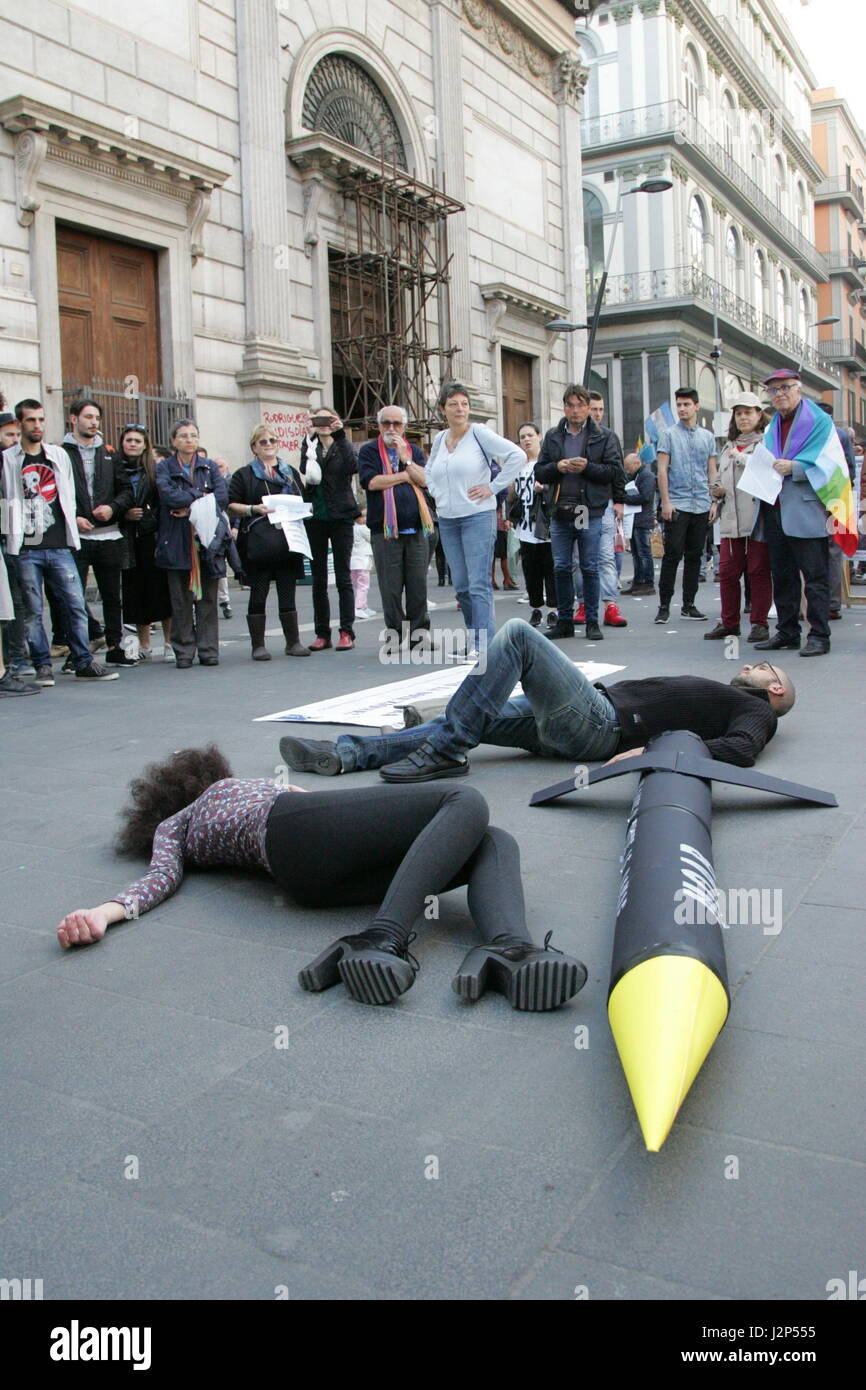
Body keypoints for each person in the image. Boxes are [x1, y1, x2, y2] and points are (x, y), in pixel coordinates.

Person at [54, 746, 586, 1013]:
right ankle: (382, 938)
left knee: (491, 839)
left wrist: (103, 914)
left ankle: (509, 953)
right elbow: (325, 808)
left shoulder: (174, 828)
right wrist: (101, 913)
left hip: (309, 879)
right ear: (202, 775)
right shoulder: (225, 791)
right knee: (464, 800)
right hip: (294, 825)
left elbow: (159, 880)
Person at [280, 618, 795, 786]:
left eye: (763, 669)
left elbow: (741, 750)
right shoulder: (731, 695)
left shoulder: (754, 711)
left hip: (596, 724)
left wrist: (650, 755)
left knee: (518, 636)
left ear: (775, 689)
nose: (752, 664)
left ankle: (447, 750)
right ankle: (348, 754)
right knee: (474, 715)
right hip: (579, 719)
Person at [2, 400, 119, 684]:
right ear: (20, 424)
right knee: (32, 610)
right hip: (26, 546)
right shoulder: (8, 460)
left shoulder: (56, 455)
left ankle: (83, 660)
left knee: (75, 603)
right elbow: (6, 500)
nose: (37, 426)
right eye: (31, 420)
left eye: (41, 420)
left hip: (59, 543)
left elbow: (68, 494)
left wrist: (74, 525)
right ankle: (42, 665)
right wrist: (10, 542)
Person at [424, 382, 526, 656]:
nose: (460, 408)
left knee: (479, 583)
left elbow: (516, 455)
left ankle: (485, 644)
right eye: (453, 403)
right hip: (448, 519)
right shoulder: (439, 439)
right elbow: (429, 471)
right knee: (462, 585)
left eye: (464, 403)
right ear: (443, 409)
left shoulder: (478, 433)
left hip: (477, 517)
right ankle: (474, 639)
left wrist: (492, 488)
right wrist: (437, 494)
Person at [751, 371, 842, 658]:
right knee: (783, 575)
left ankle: (819, 635)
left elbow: (833, 465)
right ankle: (788, 631)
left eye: (784, 388)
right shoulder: (773, 426)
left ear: (798, 389)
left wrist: (796, 468)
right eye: (773, 390)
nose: (779, 394)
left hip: (806, 509)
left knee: (815, 576)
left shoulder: (819, 422)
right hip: (775, 508)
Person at [535, 384, 625, 642]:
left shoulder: (604, 436)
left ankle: (592, 622)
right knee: (562, 566)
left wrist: (587, 468)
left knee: (588, 565)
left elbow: (614, 472)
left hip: (586, 508)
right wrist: (557, 467)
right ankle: (564, 621)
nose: (575, 410)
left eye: (580, 405)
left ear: (587, 407)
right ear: (564, 407)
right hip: (560, 507)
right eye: (570, 405)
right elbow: (540, 471)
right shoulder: (553, 436)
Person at [62, 398, 137, 668]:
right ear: (74, 419)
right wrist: (74, 518)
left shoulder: (109, 454)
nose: (93, 422)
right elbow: (56, 493)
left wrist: (113, 508)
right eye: (88, 417)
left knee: (112, 596)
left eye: (96, 418)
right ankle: (78, 651)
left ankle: (115, 646)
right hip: (77, 537)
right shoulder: (61, 452)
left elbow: (127, 491)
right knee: (74, 597)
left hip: (109, 536)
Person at [228, 425, 310, 660]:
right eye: (262, 441)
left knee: (287, 591)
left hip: (287, 540)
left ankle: (293, 642)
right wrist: (253, 509)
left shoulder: (290, 472)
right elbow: (231, 504)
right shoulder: (244, 474)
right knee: (259, 591)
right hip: (259, 542)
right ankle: (258, 645)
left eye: (272, 440)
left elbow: (302, 499)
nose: (269, 444)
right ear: (254, 447)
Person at [155, 418, 228, 668]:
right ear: (174, 440)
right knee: (181, 598)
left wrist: (190, 508)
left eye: (193, 435)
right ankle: (184, 650)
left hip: (207, 539)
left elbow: (221, 496)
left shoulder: (208, 467)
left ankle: (209, 649)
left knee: (208, 598)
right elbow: (167, 495)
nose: (189, 440)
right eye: (183, 436)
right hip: (176, 540)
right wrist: (200, 498)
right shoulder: (165, 467)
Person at [357, 406, 432, 644]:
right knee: (390, 588)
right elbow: (372, 482)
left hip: (416, 527)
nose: (391, 428)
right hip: (385, 530)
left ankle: (419, 634)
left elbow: (425, 480)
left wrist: (405, 460)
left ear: (405, 426)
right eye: (386, 423)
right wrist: (405, 475)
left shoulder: (414, 451)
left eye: (396, 424)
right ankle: (396, 634)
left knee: (418, 586)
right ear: (378, 426)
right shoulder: (368, 451)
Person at [703, 393, 772, 643]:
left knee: (758, 572)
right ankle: (730, 623)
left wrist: (741, 457)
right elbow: (719, 481)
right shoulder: (727, 446)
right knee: (728, 574)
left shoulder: (766, 443)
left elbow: (767, 473)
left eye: (748, 412)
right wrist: (716, 494)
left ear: (758, 414)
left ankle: (759, 623)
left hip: (757, 520)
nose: (743, 417)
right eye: (738, 412)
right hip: (730, 519)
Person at [655, 387, 718, 624]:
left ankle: (689, 605)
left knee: (695, 555)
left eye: (686, 404)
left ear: (696, 406)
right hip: (678, 503)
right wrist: (666, 502)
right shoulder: (669, 435)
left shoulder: (707, 437)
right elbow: (662, 470)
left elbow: (712, 471)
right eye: (679, 405)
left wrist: (714, 501)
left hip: (702, 503)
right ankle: (663, 606)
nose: (682, 409)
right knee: (672, 555)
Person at [298, 407, 359, 651]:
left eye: (327, 419)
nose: (323, 424)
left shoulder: (342, 444)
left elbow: (352, 466)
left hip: (341, 516)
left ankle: (347, 631)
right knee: (319, 579)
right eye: (318, 419)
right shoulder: (309, 446)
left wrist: (340, 434)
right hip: (316, 516)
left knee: (343, 576)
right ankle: (322, 633)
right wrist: (307, 436)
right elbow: (305, 472)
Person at [116, 424, 173, 661]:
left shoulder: (155, 471)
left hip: (153, 537)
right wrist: (124, 514)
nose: (132, 444)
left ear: (145, 445)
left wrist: (149, 518)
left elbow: (164, 503)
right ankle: (144, 644)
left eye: (137, 441)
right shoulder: (115, 469)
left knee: (161, 589)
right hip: (127, 538)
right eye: (128, 440)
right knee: (135, 591)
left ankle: (170, 642)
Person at [583, 392, 628, 625]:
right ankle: (582, 604)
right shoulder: (574, 436)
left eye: (601, 409)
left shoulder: (610, 436)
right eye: (594, 409)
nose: (598, 413)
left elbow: (618, 471)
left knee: (605, 556)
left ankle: (610, 605)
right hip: (580, 506)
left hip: (605, 505)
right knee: (579, 557)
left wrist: (619, 501)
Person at [513, 421, 556, 628]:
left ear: (539, 436)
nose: (526, 440)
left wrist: (544, 489)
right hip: (524, 527)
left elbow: (557, 488)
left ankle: (554, 610)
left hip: (545, 525)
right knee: (531, 571)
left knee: (551, 568)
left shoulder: (547, 463)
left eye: (530, 435)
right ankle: (536, 609)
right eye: (522, 437)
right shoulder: (517, 465)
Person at [817, 403, 855, 621]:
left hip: (823, 497)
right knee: (832, 549)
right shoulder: (839, 434)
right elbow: (850, 468)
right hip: (837, 496)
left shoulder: (823, 434)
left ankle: (826, 602)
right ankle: (831, 603)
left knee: (821, 549)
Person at [620, 451, 657, 594]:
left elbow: (645, 497)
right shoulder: (635, 476)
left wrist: (625, 498)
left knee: (644, 552)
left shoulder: (646, 476)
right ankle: (638, 580)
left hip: (642, 518)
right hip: (634, 518)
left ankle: (648, 582)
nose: (627, 469)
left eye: (629, 466)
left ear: (637, 463)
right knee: (636, 552)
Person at [349, 507, 375, 620]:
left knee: (357, 586)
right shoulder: (362, 528)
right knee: (363, 586)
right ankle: (359, 607)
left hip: (352, 562)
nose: (365, 519)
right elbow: (372, 538)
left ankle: (363, 606)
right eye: (363, 517)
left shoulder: (350, 528)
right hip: (362, 561)